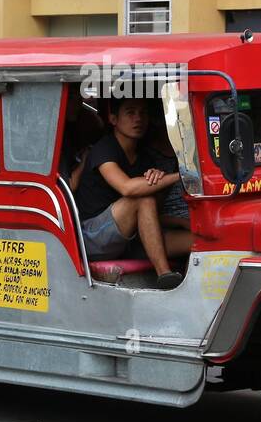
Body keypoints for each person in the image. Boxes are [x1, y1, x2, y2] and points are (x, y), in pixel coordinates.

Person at [73, 98, 193, 290]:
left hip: (130, 238)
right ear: (113, 119)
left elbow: (152, 211)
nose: (138, 119)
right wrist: (181, 176)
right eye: (130, 112)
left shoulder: (143, 157)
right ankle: (165, 277)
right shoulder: (104, 149)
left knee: (196, 240)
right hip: (93, 237)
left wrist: (180, 222)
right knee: (142, 199)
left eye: (143, 113)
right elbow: (127, 188)